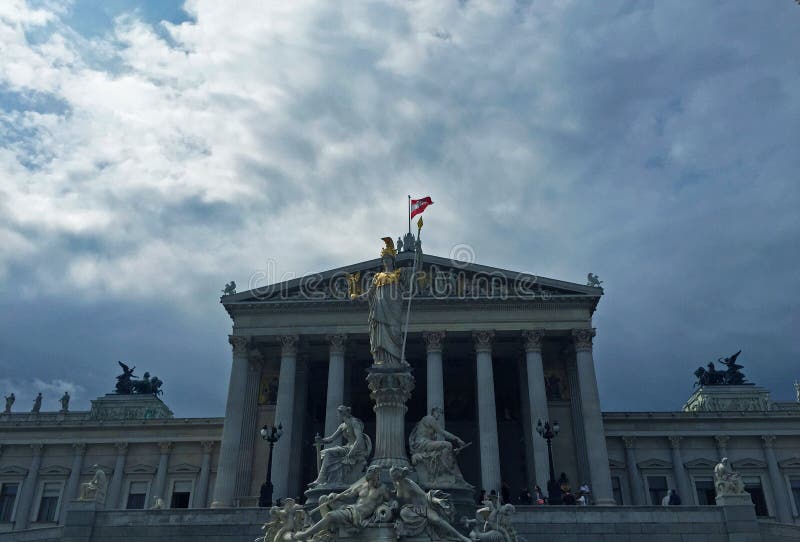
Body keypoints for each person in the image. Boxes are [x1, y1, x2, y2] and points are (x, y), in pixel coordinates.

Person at [294, 466, 390, 540]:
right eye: (372, 474)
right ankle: (329, 528)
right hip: (351, 509)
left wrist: (390, 505)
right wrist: (335, 495)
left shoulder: (382, 489)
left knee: (330, 515)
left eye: (377, 475)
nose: (375, 478)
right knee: (324, 499)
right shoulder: (361, 486)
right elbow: (348, 496)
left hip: (358, 516)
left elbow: (390, 501)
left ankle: (305, 534)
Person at [390, 466, 470, 542]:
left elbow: (425, 495)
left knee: (437, 519)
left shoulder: (410, 483)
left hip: (420, 507)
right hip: (407, 510)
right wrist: (394, 503)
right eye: (394, 478)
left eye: (396, 477)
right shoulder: (396, 485)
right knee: (403, 512)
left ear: (400, 476)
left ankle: (461, 537)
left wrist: (438, 500)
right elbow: (397, 498)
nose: (395, 479)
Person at [309, 405, 371, 487]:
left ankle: (321, 479)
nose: (338, 416)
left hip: (356, 449)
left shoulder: (354, 422)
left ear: (343, 414)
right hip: (347, 447)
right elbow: (331, 439)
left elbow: (359, 439)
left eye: (339, 413)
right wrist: (321, 440)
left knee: (329, 453)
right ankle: (321, 479)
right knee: (327, 453)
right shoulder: (342, 426)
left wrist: (352, 452)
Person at [408, 407, 467, 483]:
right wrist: (457, 438)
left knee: (447, 449)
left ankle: (448, 473)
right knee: (448, 444)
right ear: (434, 412)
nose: (439, 416)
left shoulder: (430, 426)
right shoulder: (429, 418)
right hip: (422, 444)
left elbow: (436, 445)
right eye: (438, 413)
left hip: (425, 444)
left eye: (440, 414)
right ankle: (446, 472)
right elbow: (442, 432)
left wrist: (451, 452)